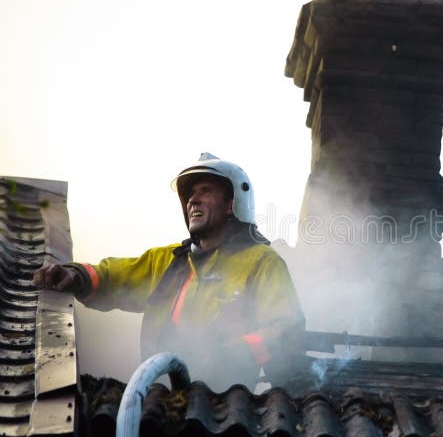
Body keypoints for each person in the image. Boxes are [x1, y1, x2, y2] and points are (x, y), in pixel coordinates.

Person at [33, 153, 306, 391]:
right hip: (160, 403)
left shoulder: (262, 263)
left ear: (231, 204)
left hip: (225, 413)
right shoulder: (169, 261)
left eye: (206, 191)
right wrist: (76, 275)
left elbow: (285, 330)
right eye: (190, 195)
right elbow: (116, 275)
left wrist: (233, 353)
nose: (193, 200)